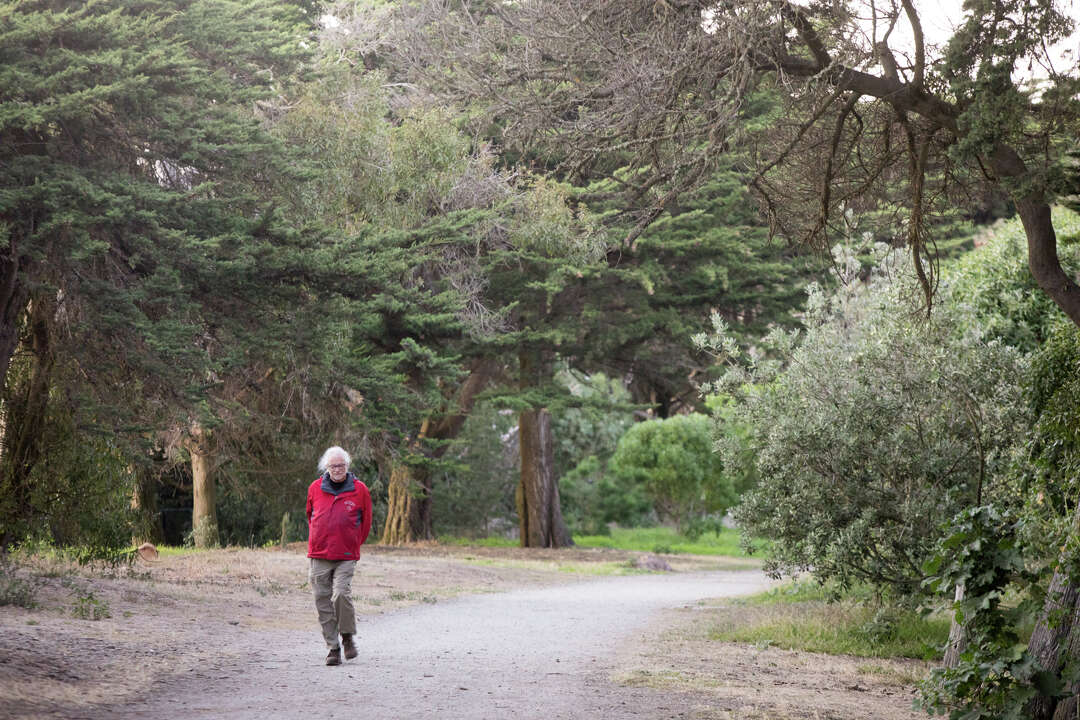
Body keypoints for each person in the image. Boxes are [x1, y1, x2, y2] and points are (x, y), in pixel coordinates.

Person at [306, 446, 373, 666]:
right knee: (322, 600)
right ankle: (333, 648)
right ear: (326, 467)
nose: (337, 469)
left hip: (346, 554)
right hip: (319, 553)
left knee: (341, 594)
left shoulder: (360, 489)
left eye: (341, 465)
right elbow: (310, 515)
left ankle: (347, 637)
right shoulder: (315, 488)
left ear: (347, 466)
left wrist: (353, 542)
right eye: (333, 466)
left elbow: (366, 522)